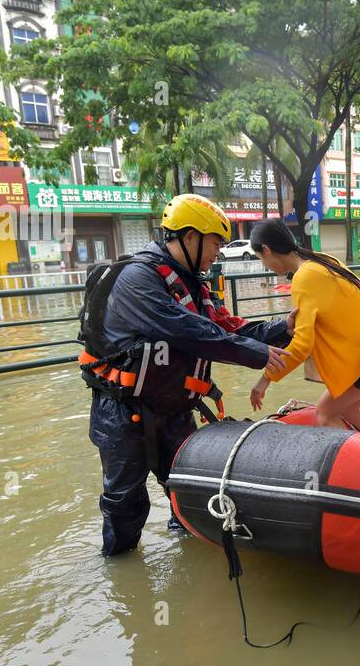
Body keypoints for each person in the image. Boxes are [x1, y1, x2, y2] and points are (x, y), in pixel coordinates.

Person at [79, 194, 293, 557]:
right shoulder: (138, 279)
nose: (218, 252)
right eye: (215, 242)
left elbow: (229, 330)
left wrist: (283, 327)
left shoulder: (192, 284)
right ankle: (123, 578)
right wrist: (259, 356)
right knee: (124, 505)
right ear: (189, 237)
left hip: (174, 411)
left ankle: (189, 568)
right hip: (122, 413)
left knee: (188, 495)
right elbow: (189, 332)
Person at [248, 219, 360, 436]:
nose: (264, 266)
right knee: (350, 410)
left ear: (267, 250)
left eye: (261, 259)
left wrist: (265, 379)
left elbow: (302, 345)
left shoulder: (303, 278)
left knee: (325, 413)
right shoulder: (322, 260)